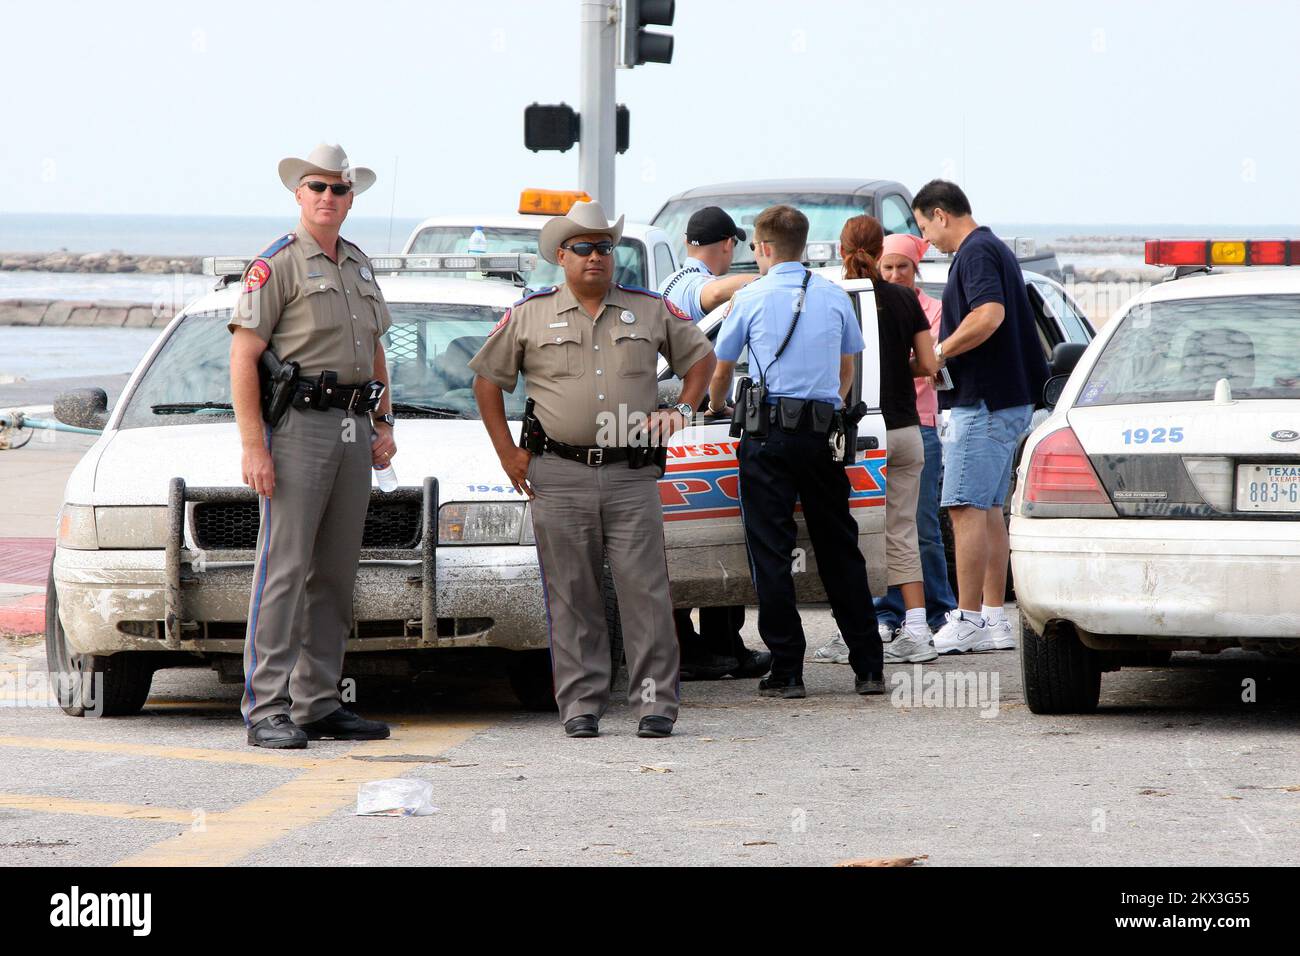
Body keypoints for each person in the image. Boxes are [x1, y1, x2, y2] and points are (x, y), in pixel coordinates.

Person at [469, 200, 716, 739]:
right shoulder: (530, 314)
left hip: (631, 474)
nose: (596, 256)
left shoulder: (650, 310)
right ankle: (581, 703)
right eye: (583, 247)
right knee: (573, 593)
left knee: (645, 592)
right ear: (562, 255)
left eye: (605, 246)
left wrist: (682, 411)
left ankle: (654, 705)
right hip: (558, 472)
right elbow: (488, 380)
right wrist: (508, 453)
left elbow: (701, 358)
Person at [229, 143, 395, 749]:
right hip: (298, 428)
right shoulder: (278, 265)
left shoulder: (359, 265)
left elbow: (375, 349)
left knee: (334, 575)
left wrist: (384, 422)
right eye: (318, 188)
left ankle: (319, 702)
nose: (329, 198)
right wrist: (255, 446)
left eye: (340, 189)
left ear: (352, 198)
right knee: (284, 570)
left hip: (353, 427)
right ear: (298, 194)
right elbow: (244, 356)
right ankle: (266, 708)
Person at [707, 204, 884, 699]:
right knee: (839, 552)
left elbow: (722, 371)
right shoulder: (832, 297)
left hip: (768, 438)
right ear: (802, 245)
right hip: (823, 437)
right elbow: (848, 369)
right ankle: (869, 667)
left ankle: (788, 670)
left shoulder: (751, 297)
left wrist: (717, 406)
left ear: (762, 248)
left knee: (772, 553)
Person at [911, 180, 1049, 654]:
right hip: (1006, 400)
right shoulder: (992, 248)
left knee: (964, 507)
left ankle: (966, 617)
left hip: (985, 402)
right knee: (988, 509)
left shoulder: (974, 253)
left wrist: (940, 353)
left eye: (924, 227)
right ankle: (992, 618)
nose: (926, 239)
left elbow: (989, 314)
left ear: (940, 214)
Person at [816, 230, 955, 667]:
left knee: (851, 535)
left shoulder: (836, 298)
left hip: (856, 433)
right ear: (881, 254)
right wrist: (896, 363)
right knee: (902, 530)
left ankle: (858, 631)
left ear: (841, 252)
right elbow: (929, 364)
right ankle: (916, 630)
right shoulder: (905, 299)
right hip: (906, 430)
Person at [657, 206, 768, 682]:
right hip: (692, 424)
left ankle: (715, 646)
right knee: (724, 542)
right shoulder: (695, 283)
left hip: (677, 421)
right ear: (726, 244)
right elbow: (715, 294)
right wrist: (772, 281)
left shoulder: (670, 279)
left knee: (693, 545)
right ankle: (711, 649)